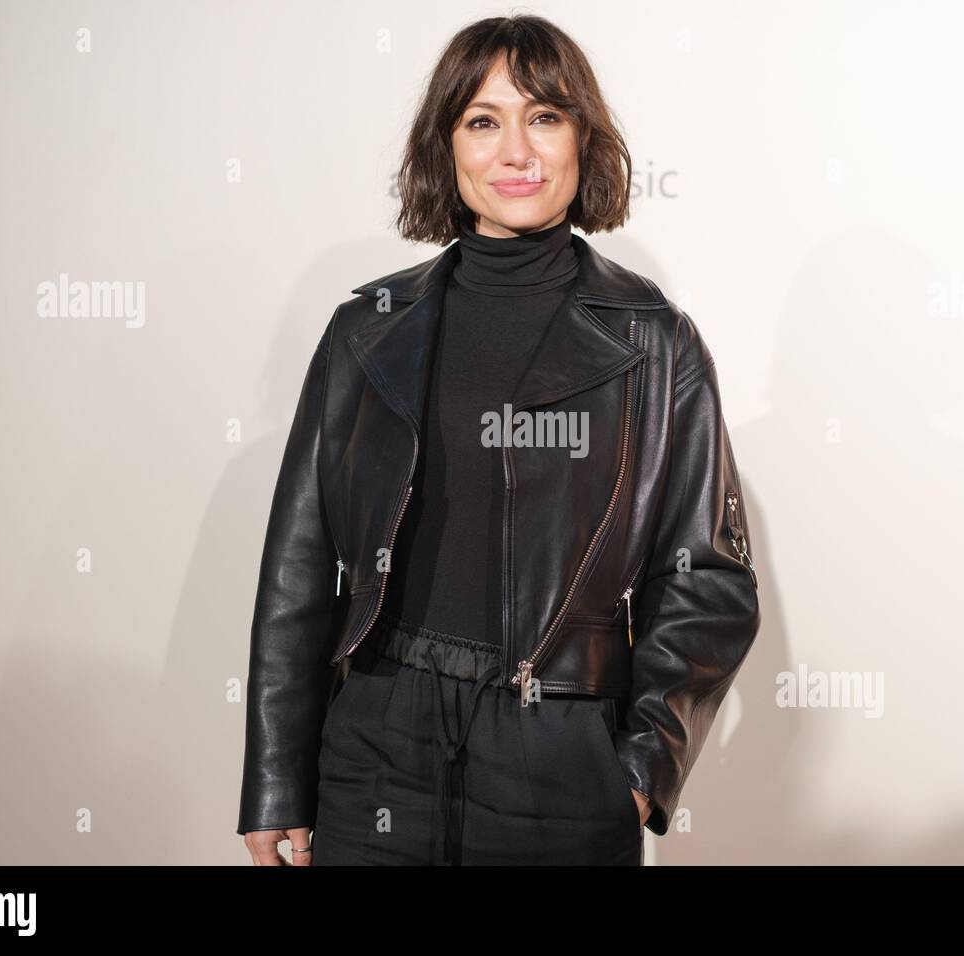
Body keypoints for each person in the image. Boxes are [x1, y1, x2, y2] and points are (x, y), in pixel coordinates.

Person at [238, 14, 760, 866]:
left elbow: (708, 580)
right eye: (484, 120)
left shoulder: (655, 343)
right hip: (374, 742)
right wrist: (275, 780)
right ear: (446, 146)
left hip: (557, 750)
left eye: (545, 116)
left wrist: (636, 769)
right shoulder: (367, 330)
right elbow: (299, 571)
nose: (516, 150)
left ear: (582, 141)